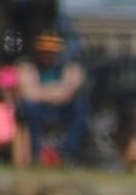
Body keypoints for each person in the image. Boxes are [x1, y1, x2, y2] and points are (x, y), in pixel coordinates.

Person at [15, 31, 88, 166]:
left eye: (51, 51)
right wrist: (57, 91)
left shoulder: (70, 66)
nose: (47, 54)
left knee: (81, 106)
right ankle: (35, 154)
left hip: (62, 109)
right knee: (28, 106)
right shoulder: (29, 67)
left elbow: (69, 92)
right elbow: (29, 94)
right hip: (38, 109)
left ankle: (68, 154)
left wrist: (42, 92)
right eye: (44, 51)